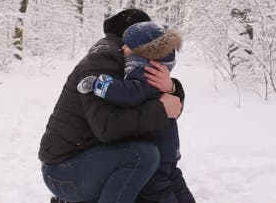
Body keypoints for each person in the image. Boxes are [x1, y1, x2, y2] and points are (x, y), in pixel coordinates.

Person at [39, 9, 185, 203]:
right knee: (142, 156)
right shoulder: (103, 59)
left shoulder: (130, 63)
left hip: (91, 158)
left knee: (156, 164)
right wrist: (161, 109)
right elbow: (107, 127)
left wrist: (172, 87)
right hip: (63, 171)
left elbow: (150, 93)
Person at [79, 21, 195, 203]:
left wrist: (98, 84)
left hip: (155, 145)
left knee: (157, 190)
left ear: (142, 51)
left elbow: (129, 93)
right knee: (174, 181)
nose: (122, 48)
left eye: (127, 45)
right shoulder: (158, 72)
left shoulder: (144, 73)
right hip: (167, 145)